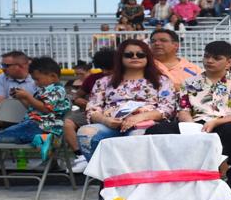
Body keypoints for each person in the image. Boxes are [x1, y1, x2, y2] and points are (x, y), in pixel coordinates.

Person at [147, 40, 231, 192]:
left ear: (229, 62)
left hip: (225, 122)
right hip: (195, 123)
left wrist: (215, 123)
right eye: (207, 56)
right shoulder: (190, 82)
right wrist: (191, 126)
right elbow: (183, 111)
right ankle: (165, 176)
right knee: (156, 130)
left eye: (216, 58)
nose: (209, 61)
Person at [75, 37, 177, 171]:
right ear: (120, 58)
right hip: (110, 124)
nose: (135, 57)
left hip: (143, 125)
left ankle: (130, 178)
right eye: (129, 55)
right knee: (86, 133)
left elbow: (168, 108)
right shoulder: (104, 82)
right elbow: (92, 108)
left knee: (137, 138)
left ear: (147, 58)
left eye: (140, 54)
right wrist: (106, 120)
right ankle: (105, 175)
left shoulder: (161, 81)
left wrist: (139, 117)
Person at [0, 55, 73, 167]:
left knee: (0, 137)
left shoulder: (57, 90)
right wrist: (22, 98)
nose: (35, 83)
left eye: (37, 79)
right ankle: (44, 140)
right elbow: (34, 108)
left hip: (41, 126)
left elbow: (46, 109)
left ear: (52, 76)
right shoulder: (45, 90)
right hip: (35, 124)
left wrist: (28, 96)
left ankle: (47, 138)